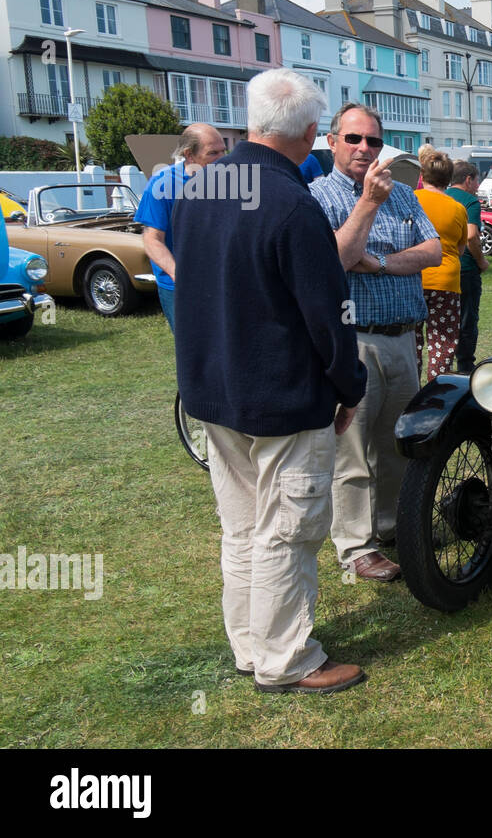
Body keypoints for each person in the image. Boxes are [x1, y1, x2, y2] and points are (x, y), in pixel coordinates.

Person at [172, 68, 368, 694]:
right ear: (313, 134)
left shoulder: (200, 188)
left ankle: (253, 647)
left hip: (215, 389)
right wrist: (348, 383)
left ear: (252, 123)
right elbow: (327, 310)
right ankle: (286, 658)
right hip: (278, 394)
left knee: (245, 527)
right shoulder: (292, 204)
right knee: (287, 527)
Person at [311, 103, 443, 583]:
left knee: (396, 443)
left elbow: (433, 251)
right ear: (331, 142)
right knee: (351, 451)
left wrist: (381, 262)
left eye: (372, 140)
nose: (364, 148)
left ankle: (390, 526)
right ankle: (355, 545)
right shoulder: (318, 196)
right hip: (354, 339)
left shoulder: (404, 194)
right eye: (353, 139)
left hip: (403, 337)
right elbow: (338, 258)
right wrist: (365, 207)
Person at [133, 123, 225, 331]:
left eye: (223, 151)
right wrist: (178, 273)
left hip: (221, 282)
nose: (222, 158)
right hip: (180, 287)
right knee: (194, 349)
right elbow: (152, 239)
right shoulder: (162, 185)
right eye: (213, 153)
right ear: (189, 155)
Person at [415, 146, 468, 380]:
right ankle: (437, 391)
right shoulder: (458, 208)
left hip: (414, 276)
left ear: (422, 174)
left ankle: (408, 388)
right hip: (446, 281)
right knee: (442, 344)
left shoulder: (411, 200)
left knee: (411, 340)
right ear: (448, 178)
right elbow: (460, 247)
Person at [449, 160, 491, 373]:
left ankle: (443, 363)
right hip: (465, 268)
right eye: (476, 181)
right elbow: (472, 235)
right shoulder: (470, 201)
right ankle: (465, 365)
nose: (477, 186)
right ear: (468, 179)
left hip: (438, 266)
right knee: (467, 319)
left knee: (444, 319)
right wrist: (481, 261)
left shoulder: (440, 195)